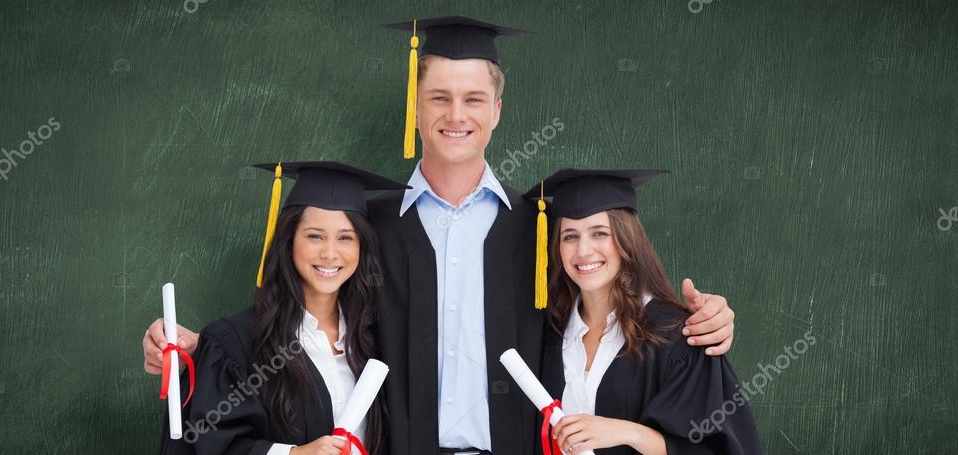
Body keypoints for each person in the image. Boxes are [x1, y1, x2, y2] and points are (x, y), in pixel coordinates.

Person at [147, 16, 739, 455]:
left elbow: (607, 306)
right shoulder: (363, 228)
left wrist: (705, 321)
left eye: (474, 98)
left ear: (498, 110)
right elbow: (313, 324)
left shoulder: (543, 230)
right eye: (440, 97)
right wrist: (202, 351)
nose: (457, 114)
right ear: (416, 103)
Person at [159, 162, 408, 455]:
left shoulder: (375, 339)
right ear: (289, 242)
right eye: (315, 236)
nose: (330, 253)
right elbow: (207, 442)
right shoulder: (235, 345)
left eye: (345, 237)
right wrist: (293, 454)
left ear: (361, 247)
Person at [526, 169, 762, 454]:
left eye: (600, 233)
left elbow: (714, 448)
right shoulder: (549, 332)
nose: (583, 250)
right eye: (570, 236)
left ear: (627, 238)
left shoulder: (678, 337)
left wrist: (625, 432)